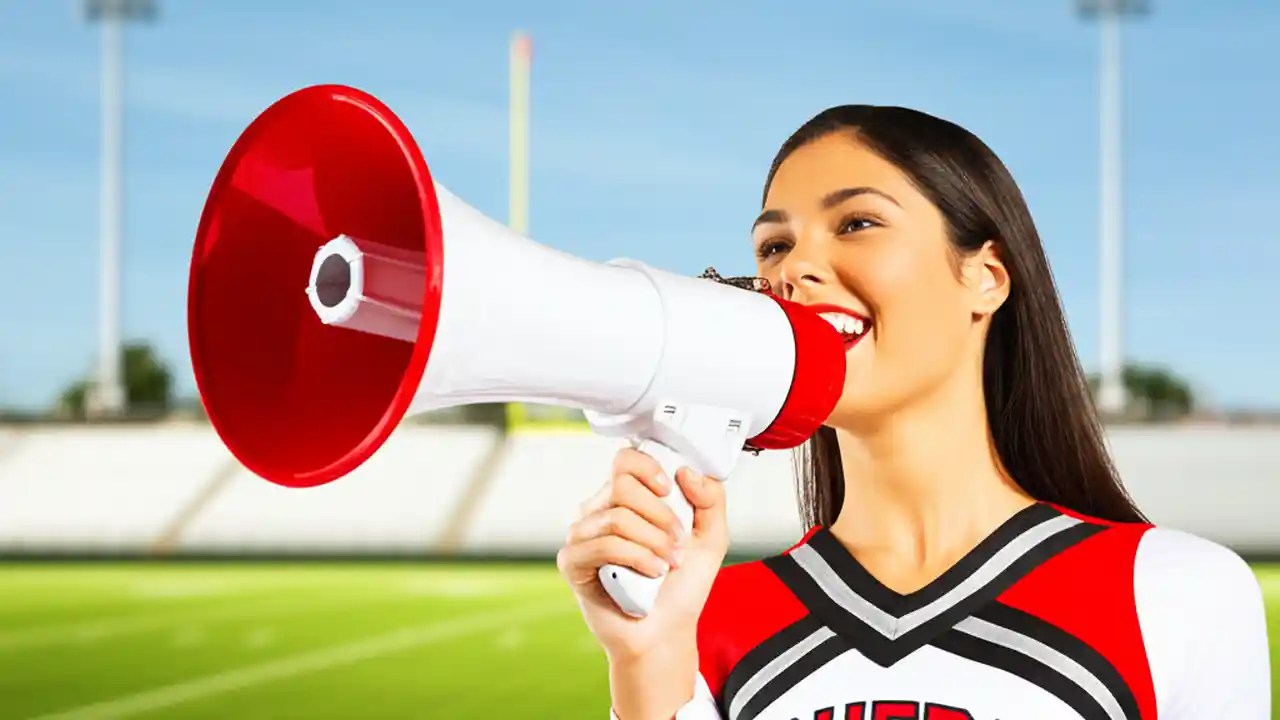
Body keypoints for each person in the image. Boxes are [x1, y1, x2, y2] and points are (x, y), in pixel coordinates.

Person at [556, 105, 1271, 720]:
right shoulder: (697, 615)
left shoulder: (1178, 592)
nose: (796, 269)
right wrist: (647, 666)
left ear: (985, 277)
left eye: (857, 222)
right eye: (775, 245)